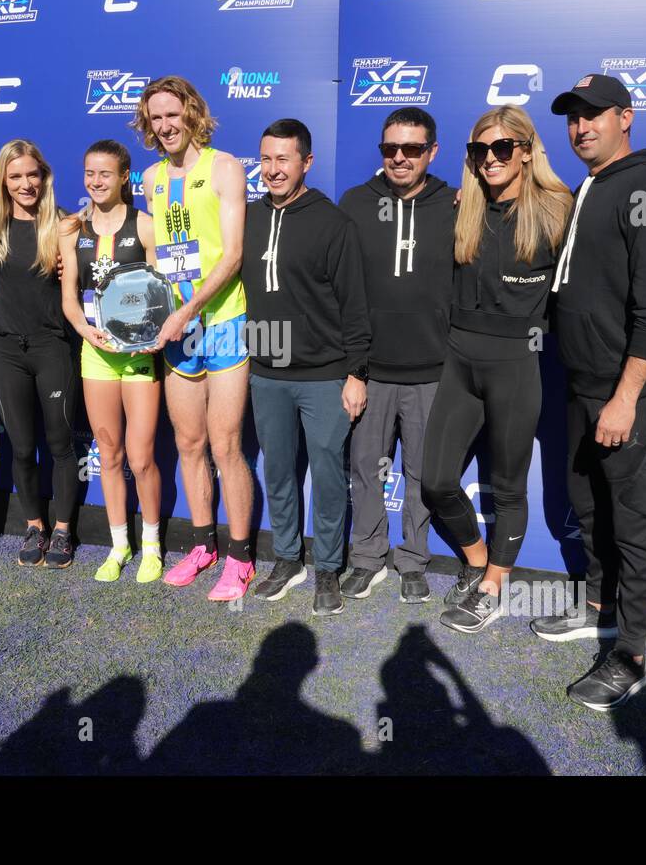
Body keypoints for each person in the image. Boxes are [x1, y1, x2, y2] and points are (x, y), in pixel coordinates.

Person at [530, 74, 646, 710]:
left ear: (627, 116)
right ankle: (599, 611)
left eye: (594, 114)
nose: (581, 126)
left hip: (629, 391)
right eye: (572, 117)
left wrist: (626, 396)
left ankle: (631, 655)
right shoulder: (593, 185)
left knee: (636, 522)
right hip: (582, 379)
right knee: (588, 504)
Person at [420, 106, 572, 632]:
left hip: (516, 363)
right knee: (436, 480)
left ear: (527, 151)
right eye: (480, 151)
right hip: (460, 360)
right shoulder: (461, 208)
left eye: (502, 148)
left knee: (508, 486)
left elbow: (605, 270)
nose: (490, 159)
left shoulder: (558, 211)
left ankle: (493, 587)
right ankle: (480, 560)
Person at [132, 75, 257, 601]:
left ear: (192, 114)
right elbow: (161, 253)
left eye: (172, 115)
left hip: (223, 321)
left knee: (226, 444)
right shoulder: (153, 178)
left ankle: (241, 556)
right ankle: (203, 545)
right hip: (178, 327)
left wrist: (187, 310)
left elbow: (231, 255)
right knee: (188, 442)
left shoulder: (224, 167)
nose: (165, 126)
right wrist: (160, 311)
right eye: (155, 118)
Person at [242, 119, 370, 615]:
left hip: (324, 375)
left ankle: (328, 569)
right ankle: (288, 558)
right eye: (266, 158)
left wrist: (356, 373)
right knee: (277, 471)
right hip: (266, 371)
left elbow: (355, 305)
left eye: (284, 159)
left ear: (306, 163)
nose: (273, 169)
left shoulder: (332, 223)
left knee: (328, 476)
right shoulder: (248, 218)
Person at [337, 107, 455, 604]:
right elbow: (342, 291)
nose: (400, 158)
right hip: (372, 370)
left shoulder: (455, 203)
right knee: (366, 467)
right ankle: (366, 559)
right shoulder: (356, 203)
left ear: (432, 151)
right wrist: (353, 369)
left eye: (412, 149)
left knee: (423, 474)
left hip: (434, 371)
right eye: (391, 149)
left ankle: (413, 560)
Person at [58, 139, 164, 582]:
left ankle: (153, 547)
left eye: (105, 173)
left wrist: (153, 337)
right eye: (89, 173)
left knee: (141, 457)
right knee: (109, 453)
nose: (95, 181)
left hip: (137, 356)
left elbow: (164, 290)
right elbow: (68, 299)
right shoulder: (71, 229)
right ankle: (120, 546)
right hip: (95, 355)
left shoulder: (145, 225)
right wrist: (85, 331)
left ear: (125, 177)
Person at [0, 139, 80, 570]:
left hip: (52, 346)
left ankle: (62, 529)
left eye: (32, 175)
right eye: (16, 176)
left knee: (60, 443)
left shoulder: (63, 225)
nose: (26, 184)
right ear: (3, 181)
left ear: (44, 176)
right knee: (21, 447)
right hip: (6, 349)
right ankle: (34, 525)